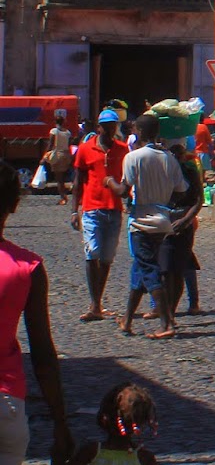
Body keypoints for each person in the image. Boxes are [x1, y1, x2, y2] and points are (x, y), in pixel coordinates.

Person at [0, 163, 73, 465]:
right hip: (8, 406)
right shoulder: (28, 268)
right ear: (14, 204)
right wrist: (61, 425)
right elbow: (43, 354)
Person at [110, 115, 188, 340]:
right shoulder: (169, 159)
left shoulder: (133, 157)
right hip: (163, 221)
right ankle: (127, 319)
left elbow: (124, 190)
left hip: (141, 222)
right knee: (140, 269)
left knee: (150, 270)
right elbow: (180, 188)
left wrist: (108, 182)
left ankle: (166, 322)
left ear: (140, 133)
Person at [72, 110, 129, 322]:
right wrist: (73, 210)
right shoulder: (85, 149)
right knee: (92, 253)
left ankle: (97, 302)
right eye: (106, 125)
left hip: (114, 209)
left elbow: (127, 179)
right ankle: (94, 303)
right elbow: (78, 181)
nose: (110, 128)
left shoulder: (123, 150)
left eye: (113, 125)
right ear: (99, 127)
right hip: (91, 208)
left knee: (106, 258)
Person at [158, 140, 204, 319]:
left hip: (185, 222)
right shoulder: (162, 172)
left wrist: (185, 220)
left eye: (180, 155)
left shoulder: (190, 171)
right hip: (164, 221)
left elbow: (198, 200)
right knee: (166, 267)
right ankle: (165, 309)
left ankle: (182, 306)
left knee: (182, 265)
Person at [48, 110, 75, 207]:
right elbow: (69, 145)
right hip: (66, 155)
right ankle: (65, 195)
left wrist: (46, 155)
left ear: (55, 122)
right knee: (63, 177)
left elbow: (50, 145)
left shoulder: (54, 131)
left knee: (59, 179)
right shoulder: (67, 132)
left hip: (57, 155)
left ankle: (63, 198)